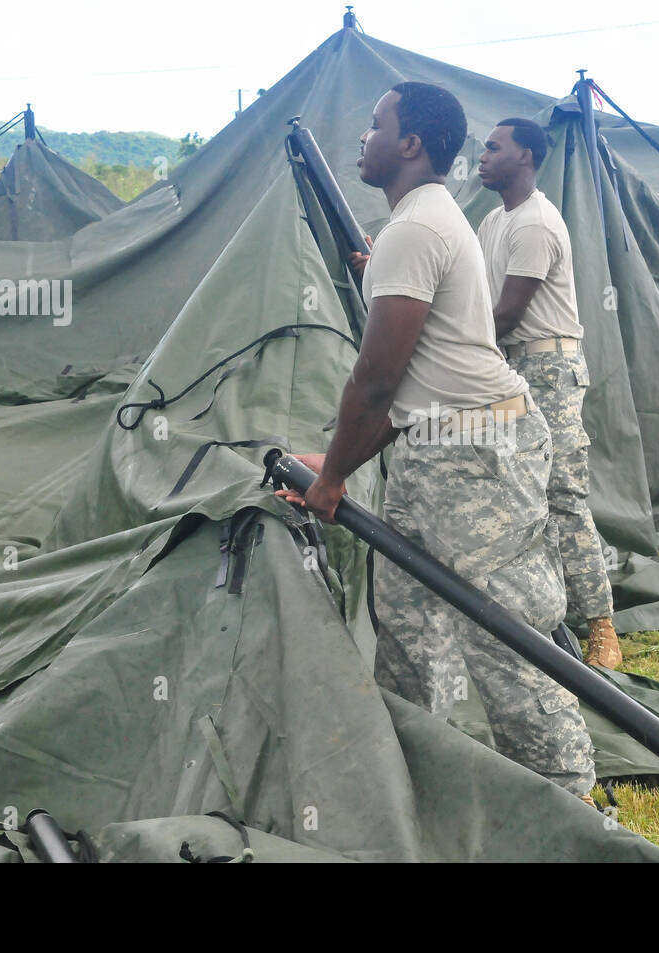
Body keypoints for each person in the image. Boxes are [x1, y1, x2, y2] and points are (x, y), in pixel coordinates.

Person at [275, 83, 597, 801]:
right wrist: (336, 463)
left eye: (375, 124)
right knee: (411, 633)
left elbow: (378, 378)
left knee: (507, 638)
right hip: (434, 444)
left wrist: (330, 483)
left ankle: (572, 816)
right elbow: (409, 387)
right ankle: (416, 795)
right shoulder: (423, 222)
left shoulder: (415, 228)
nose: (364, 137)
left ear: (410, 143)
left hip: (478, 448)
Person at [475, 117, 623, 669]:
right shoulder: (495, 220)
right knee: (512, 491)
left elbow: (507, 313)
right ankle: (538, 613)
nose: (484, 156)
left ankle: (601, 625)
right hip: (510, 364)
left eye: (495, 148)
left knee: (561, 493)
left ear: (526, 157)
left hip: (547, 366)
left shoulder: (535, 222)